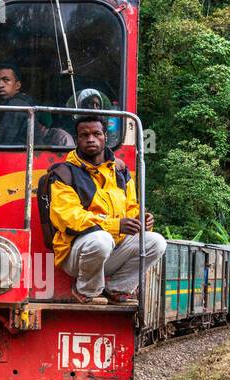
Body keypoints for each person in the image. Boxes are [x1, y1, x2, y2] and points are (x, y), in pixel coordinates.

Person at [46, 115, 166, 304]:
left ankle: (117, 289)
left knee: (156, 242)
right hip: (75, 254)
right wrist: (115, 225)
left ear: (105, 137)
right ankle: (86, 290)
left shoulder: (120, 171)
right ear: (77, 140)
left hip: (112, 251)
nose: (90, 139)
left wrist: (141, 220)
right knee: (101, 239)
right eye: (84, 135)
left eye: (96, 133)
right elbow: (69, 218)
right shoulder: (64, 173)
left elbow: (131, 208)